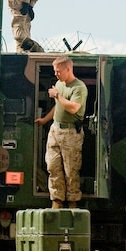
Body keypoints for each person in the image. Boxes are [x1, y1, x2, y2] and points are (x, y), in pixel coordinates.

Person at [35, 55, 88, 209]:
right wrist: (45, 120)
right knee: (53, 166)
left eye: (58, 71)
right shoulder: (59, 84)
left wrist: (57, 95)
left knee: (71, 170)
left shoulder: (79, 87)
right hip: (55, 130)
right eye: (55, 71)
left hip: (71, 133)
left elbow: (73, 107)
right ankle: (57, 200)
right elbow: (58, 106)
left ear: (68, 69)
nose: (56, 74)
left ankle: (72, 202)